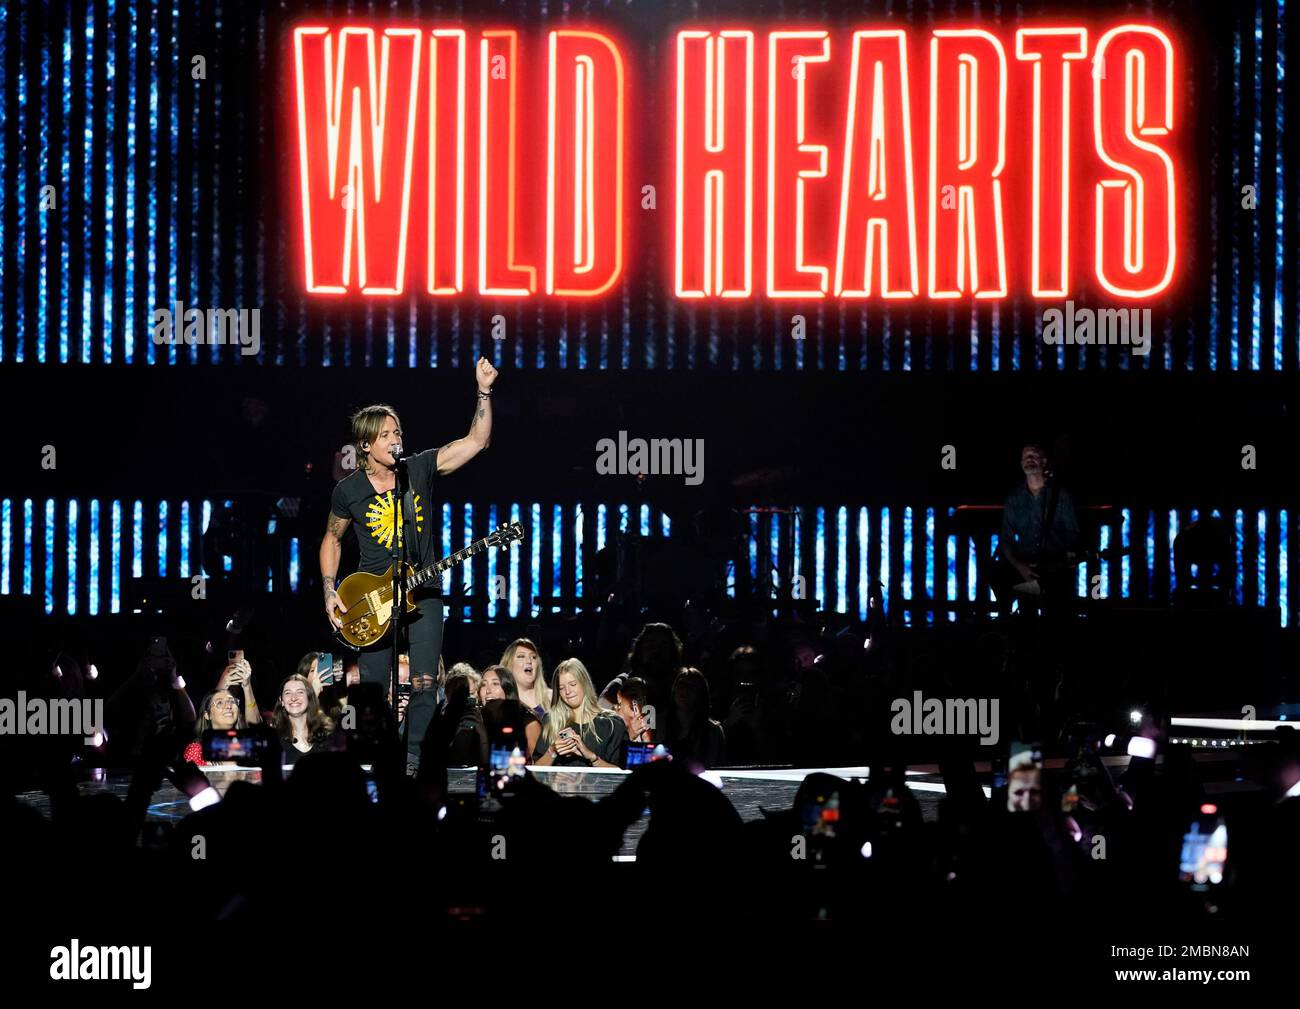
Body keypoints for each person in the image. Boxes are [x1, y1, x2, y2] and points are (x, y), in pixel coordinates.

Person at [320, 358, 498, 691]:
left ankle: (416, 746)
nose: (394, 439)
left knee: (424, 683)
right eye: (384, 435)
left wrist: (483, 391)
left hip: (423, 590)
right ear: (365, 445)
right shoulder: (349, 490)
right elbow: (332, 539)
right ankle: (380, 744)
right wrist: (330, 590)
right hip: (372, 596)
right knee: (372, 686)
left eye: (396, 432)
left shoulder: (418, 468)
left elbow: (476, 441)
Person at [993, 443, 1083, 612]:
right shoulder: (1014, 500)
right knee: (1026, 621)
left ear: (1044, 461)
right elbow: (1006, 539)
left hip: (1056, 570)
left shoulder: (1061, 496)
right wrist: (1020, 567)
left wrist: (1067, 562)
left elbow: (1073, 533)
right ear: (1021, 463)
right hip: (1025, 572)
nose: (1029, 459)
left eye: (1034, 455)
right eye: (1026, 456)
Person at [533, 659, 627, 768]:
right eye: (561, 688)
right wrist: (552, 751)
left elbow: (623, 773)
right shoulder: (551, 720)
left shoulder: (612, 724)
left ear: (584, 684)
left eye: (572, 684)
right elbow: (536, 770)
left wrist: (593, 758)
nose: (568, 692)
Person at [659, 668, 726, 768]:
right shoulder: (658, 723)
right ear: (674, 689)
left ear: (701, 694)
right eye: (682, 684)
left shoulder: (713, 731)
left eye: (692, 686)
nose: (685, 689)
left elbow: (712, 767)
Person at [477, 664, 542, 759]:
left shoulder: (528, 722)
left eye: (495, 684)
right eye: (483, 685)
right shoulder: (477, 719)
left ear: (507, 688)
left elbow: (538, 766)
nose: (488, 691)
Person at [273, 674, 336, 767]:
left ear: (309, 698)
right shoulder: (274, 740)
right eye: (287, 693)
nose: (294, 698)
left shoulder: (328, 735)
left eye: (300, 692)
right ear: (281, 701)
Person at [181, 689, 244, 765]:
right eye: (220, 703)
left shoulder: (249, 747)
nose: (228, 706)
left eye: (232, 701)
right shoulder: (197, 751)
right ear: (207, 715)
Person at [500, 638, 549, 718]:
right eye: (521, 656)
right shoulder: (501, 701)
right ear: (508, 663)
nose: (529, 661)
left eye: (533, 657)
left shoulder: (551, 697)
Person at [614, 676, 655, 744]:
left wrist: (647, 741)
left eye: (641, 698)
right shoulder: (607, 723)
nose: (636, 702)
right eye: (633, 695)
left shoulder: (644, 727)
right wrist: (630, 736)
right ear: (619, 696)